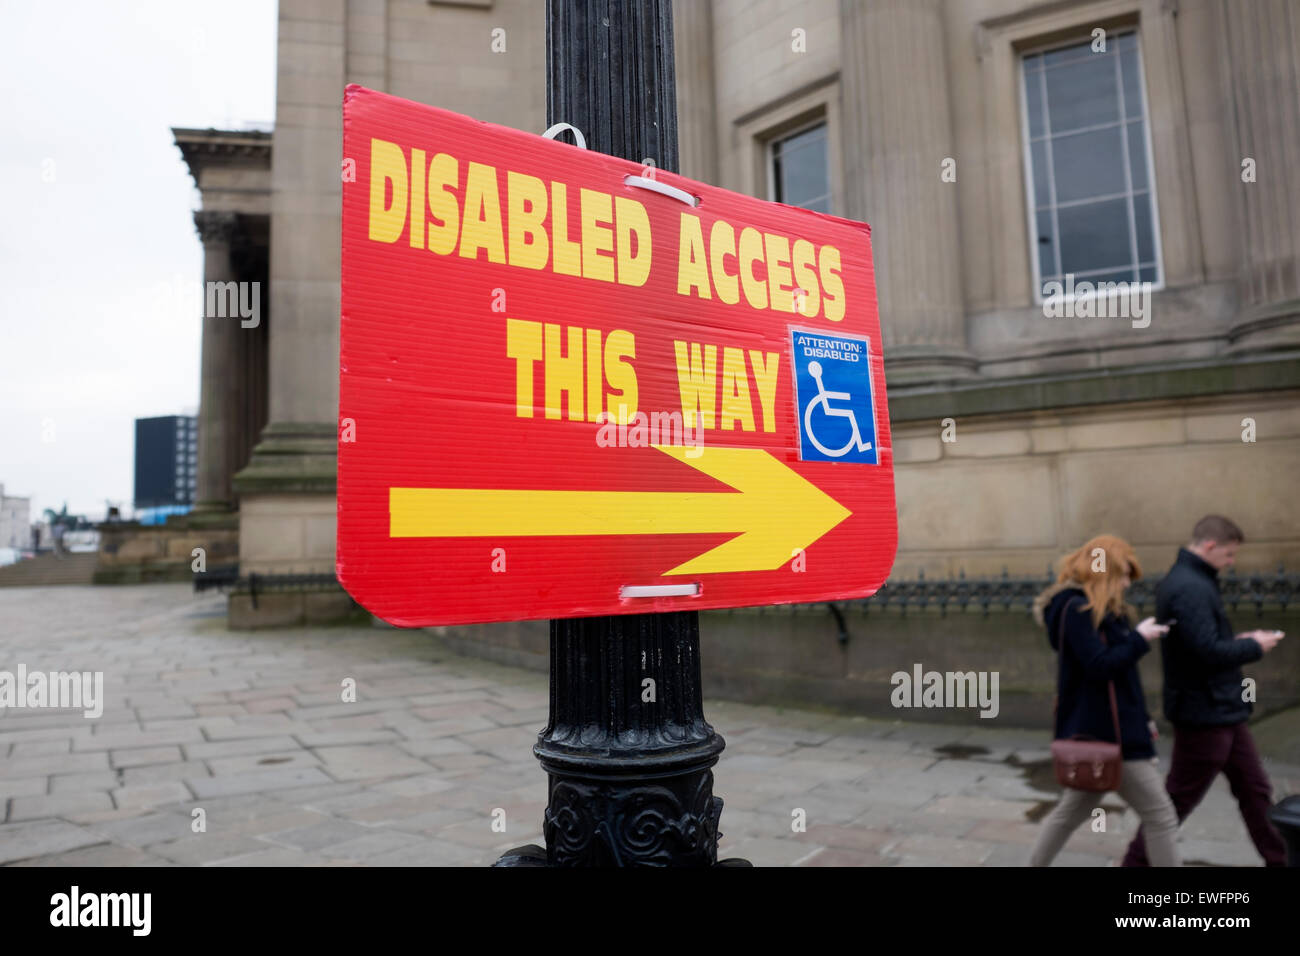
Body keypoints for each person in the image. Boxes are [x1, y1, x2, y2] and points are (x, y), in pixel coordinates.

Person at [1122, 516, 1287, 867]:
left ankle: (1282, 859)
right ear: (1209, 546)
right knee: (1176, 801)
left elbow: (1202, 644)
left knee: (1256, 792)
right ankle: (1134, 864)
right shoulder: (1189, 587)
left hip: (1223, 709)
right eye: (1228, 555)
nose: (1231, 563)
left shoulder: (1195, 581)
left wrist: (1238, 642)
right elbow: (1206, 653)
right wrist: (1254, 646)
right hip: (1205, 714)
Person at [1028, 534, 1179, 866]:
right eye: (1123, 574)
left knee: (1070, 812)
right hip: (1109, 734)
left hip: (1112, 730)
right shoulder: (1075, 609)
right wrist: (1140, 639)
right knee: (1161, 815)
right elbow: (1099, 666)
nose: (1127, 583)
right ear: (1104, 571)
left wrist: (1144, 720)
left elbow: (1123, 679)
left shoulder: (1105, 611)